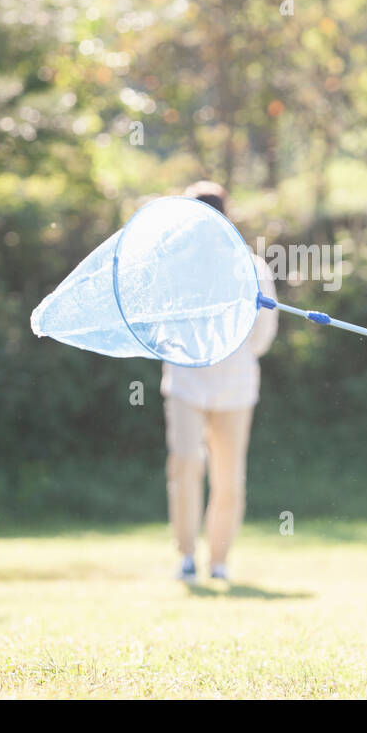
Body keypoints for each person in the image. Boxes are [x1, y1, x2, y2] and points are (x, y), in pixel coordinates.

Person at [161, 182, 278, 583]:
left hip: (236, 386)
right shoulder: (173, 265)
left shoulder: (250, 266)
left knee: (228, 476)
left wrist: (232, 354)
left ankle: (220, 561)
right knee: (186, 464)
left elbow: (262, 332)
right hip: (184, 384)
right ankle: (186, 556)